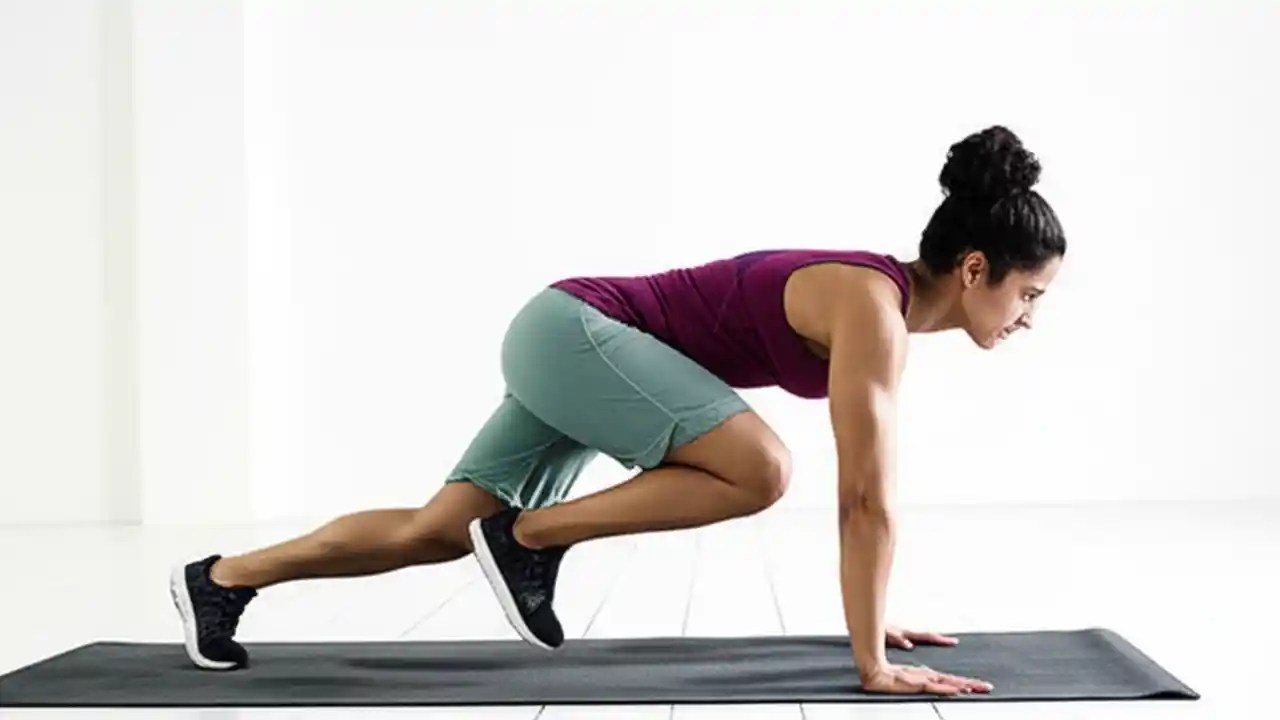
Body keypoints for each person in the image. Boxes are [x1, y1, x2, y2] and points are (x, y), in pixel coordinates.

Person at [169, 125, 1065, 697]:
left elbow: (868, 500)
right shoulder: (874, 311)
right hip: (578, 332)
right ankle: (528, 540)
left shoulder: (878, 307)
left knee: (440, 531)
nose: (1029, 319)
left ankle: (222, 578)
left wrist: (874, 619)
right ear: (976, 268)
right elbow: (865, 498)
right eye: (1029, 294)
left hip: (574, 343)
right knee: (762, 469)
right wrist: (871, 660)